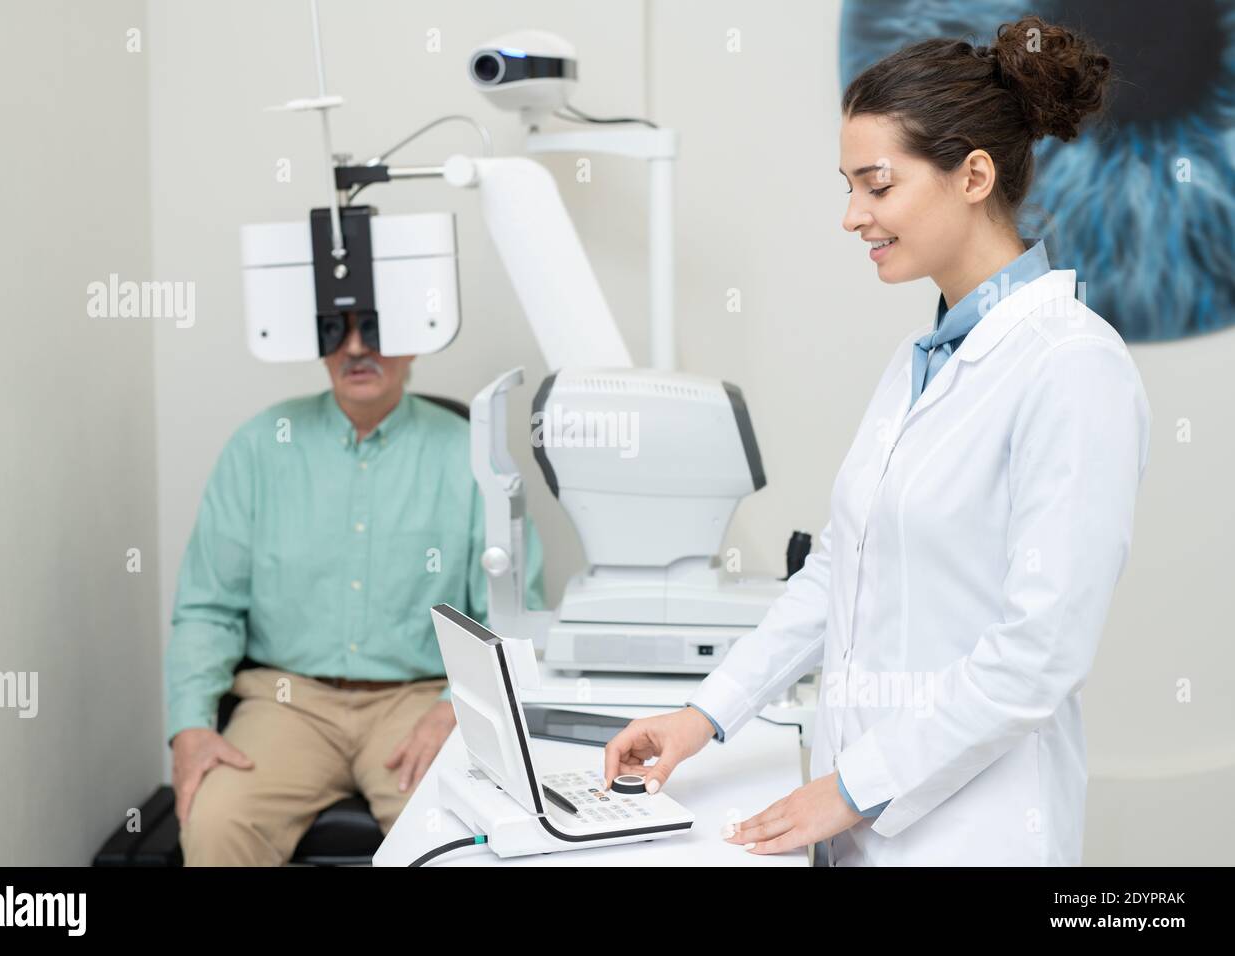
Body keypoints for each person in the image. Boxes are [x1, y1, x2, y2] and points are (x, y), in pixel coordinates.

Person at [604, 15, 1149, 866]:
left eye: (877, 185)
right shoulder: (921, 357)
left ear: (973, 175)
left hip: (974, 833)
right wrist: (704, 715)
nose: (853, 215)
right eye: (848, 186)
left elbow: (1038, 656)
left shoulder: (1073, 363)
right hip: (857, 817)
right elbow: (838, 570)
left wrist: (852, 788)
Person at [166, 314, 543, 865]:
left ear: (416, 341)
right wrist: (190, 729)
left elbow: (510, 615)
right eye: (335, 332)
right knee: (217, 820)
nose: (356, 348)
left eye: (375, 329)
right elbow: (207, 609)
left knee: (461, 835)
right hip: (288, 702)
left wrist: (451, 711)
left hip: (421, 702)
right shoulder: (259, 448)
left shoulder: (472, 458)